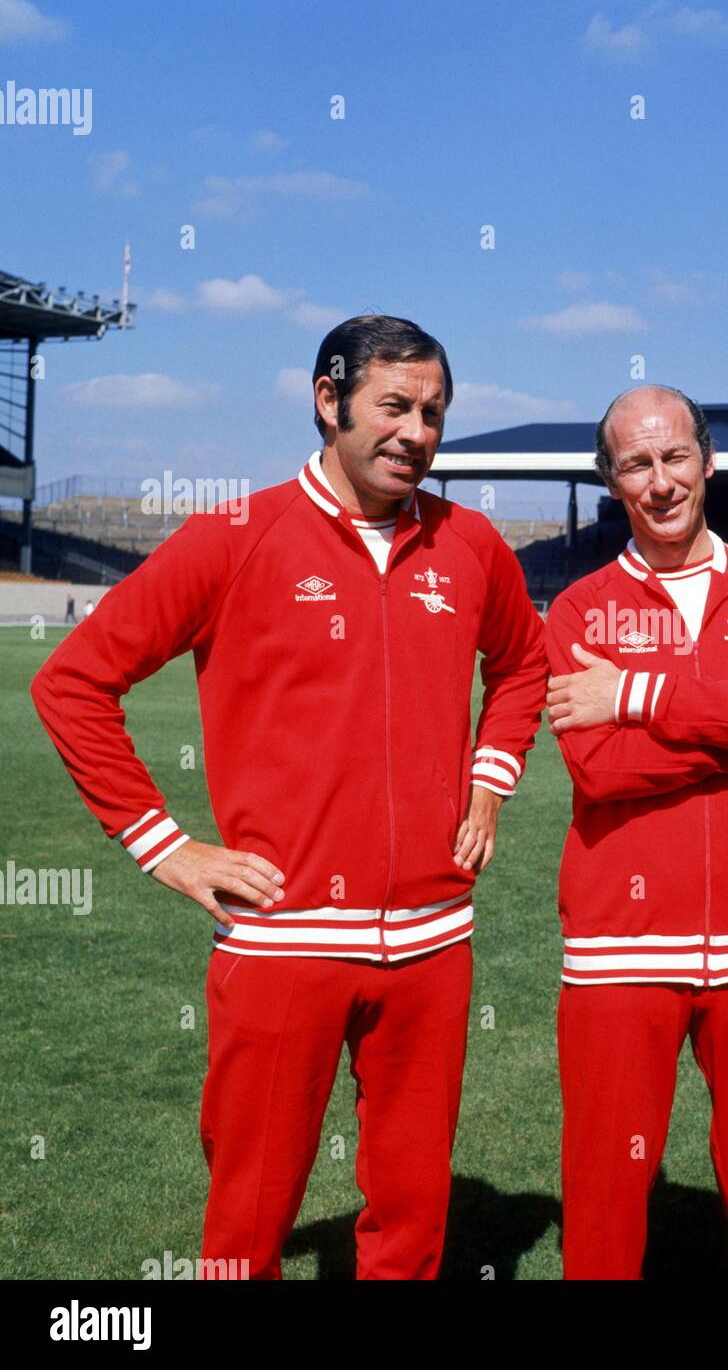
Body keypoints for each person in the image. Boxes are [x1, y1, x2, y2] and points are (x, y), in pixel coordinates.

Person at [30, 315, 548, 1279]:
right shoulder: (235, 535)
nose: (416, 433)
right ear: (329, 402)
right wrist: (168, 848)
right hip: (283, 943)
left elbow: (523, 667)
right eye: (394, 406)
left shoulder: (473, 544)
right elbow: (71, 684)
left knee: (413, 1215)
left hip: (434, 948)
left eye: (434, 413)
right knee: (248, 1220)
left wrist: (488, 783)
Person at [545, 385, 728, 1279]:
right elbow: (601, 770)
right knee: (603, 1192)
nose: (660, 481)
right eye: (636, 463)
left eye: (675, 457)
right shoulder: (581, 611)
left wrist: (637, 696)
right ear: (611, 481)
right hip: (618, 952)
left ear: (708, 460)